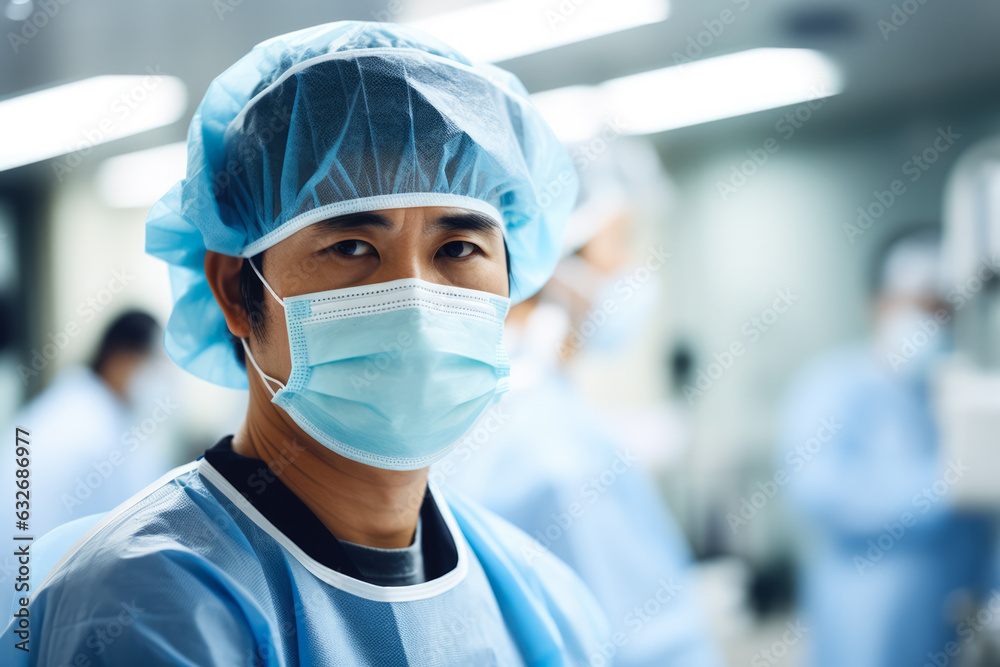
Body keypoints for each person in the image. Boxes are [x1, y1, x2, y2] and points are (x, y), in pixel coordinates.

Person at [0, 21, 609, 665]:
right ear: (237, 289)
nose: (415, 303)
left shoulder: (544, 604)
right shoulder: (145, 608)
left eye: (458, 248)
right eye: (352, 246)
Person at [437, 138, 722, 667]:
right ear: (563, 253)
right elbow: (650, 644)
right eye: (624, 240)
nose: (634, 267)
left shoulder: (499, 410)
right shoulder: (559, 448)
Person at [779, 227, 994, 667]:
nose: (933, 320)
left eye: (943, 308)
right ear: (876, 304)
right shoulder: (834, 387)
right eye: (916, 304)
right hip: (862, 631)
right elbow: (818, 489)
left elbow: (983, 526)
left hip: (951, 633)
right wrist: (942, 486)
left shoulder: (954, 396)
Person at [0, 310, 173, 615]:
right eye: (154, 364)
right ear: (121, 359)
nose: (162, 381)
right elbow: (147, 533)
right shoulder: (101, 433)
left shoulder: (64, 407)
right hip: (37, 601)